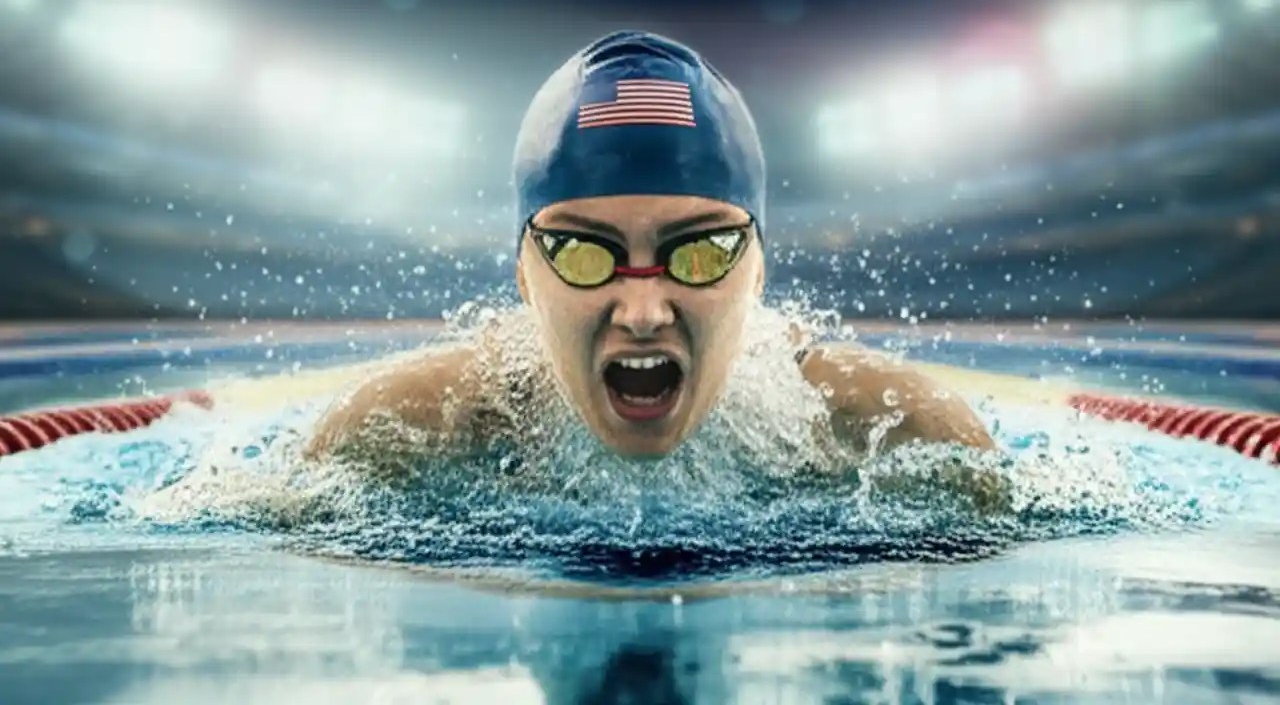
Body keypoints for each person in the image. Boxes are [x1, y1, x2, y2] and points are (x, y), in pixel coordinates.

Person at [306, 31, 1000, 505]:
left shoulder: (890, 428)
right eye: (583, 254)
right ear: (523, 276)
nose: (642, 314)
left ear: (758, 272)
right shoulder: (403, 429)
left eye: (699, 253)